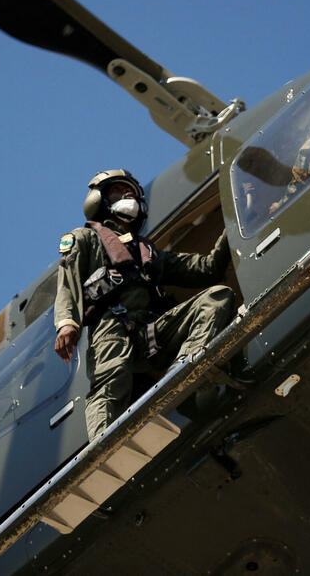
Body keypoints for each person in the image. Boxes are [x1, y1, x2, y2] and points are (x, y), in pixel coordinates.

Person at [53, 169, 234, 440]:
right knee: (112, 378)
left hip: (152, 330)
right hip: (111, 327)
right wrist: (67, 324)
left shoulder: (148, 252)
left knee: (216, 297)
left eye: (130, 192)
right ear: (99, 200)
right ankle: (103, 446)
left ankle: (183, 373)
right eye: (117, 191)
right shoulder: (85, 238)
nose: (126, 195)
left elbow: (206, 269)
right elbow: (68, 281)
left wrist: (232, 221)